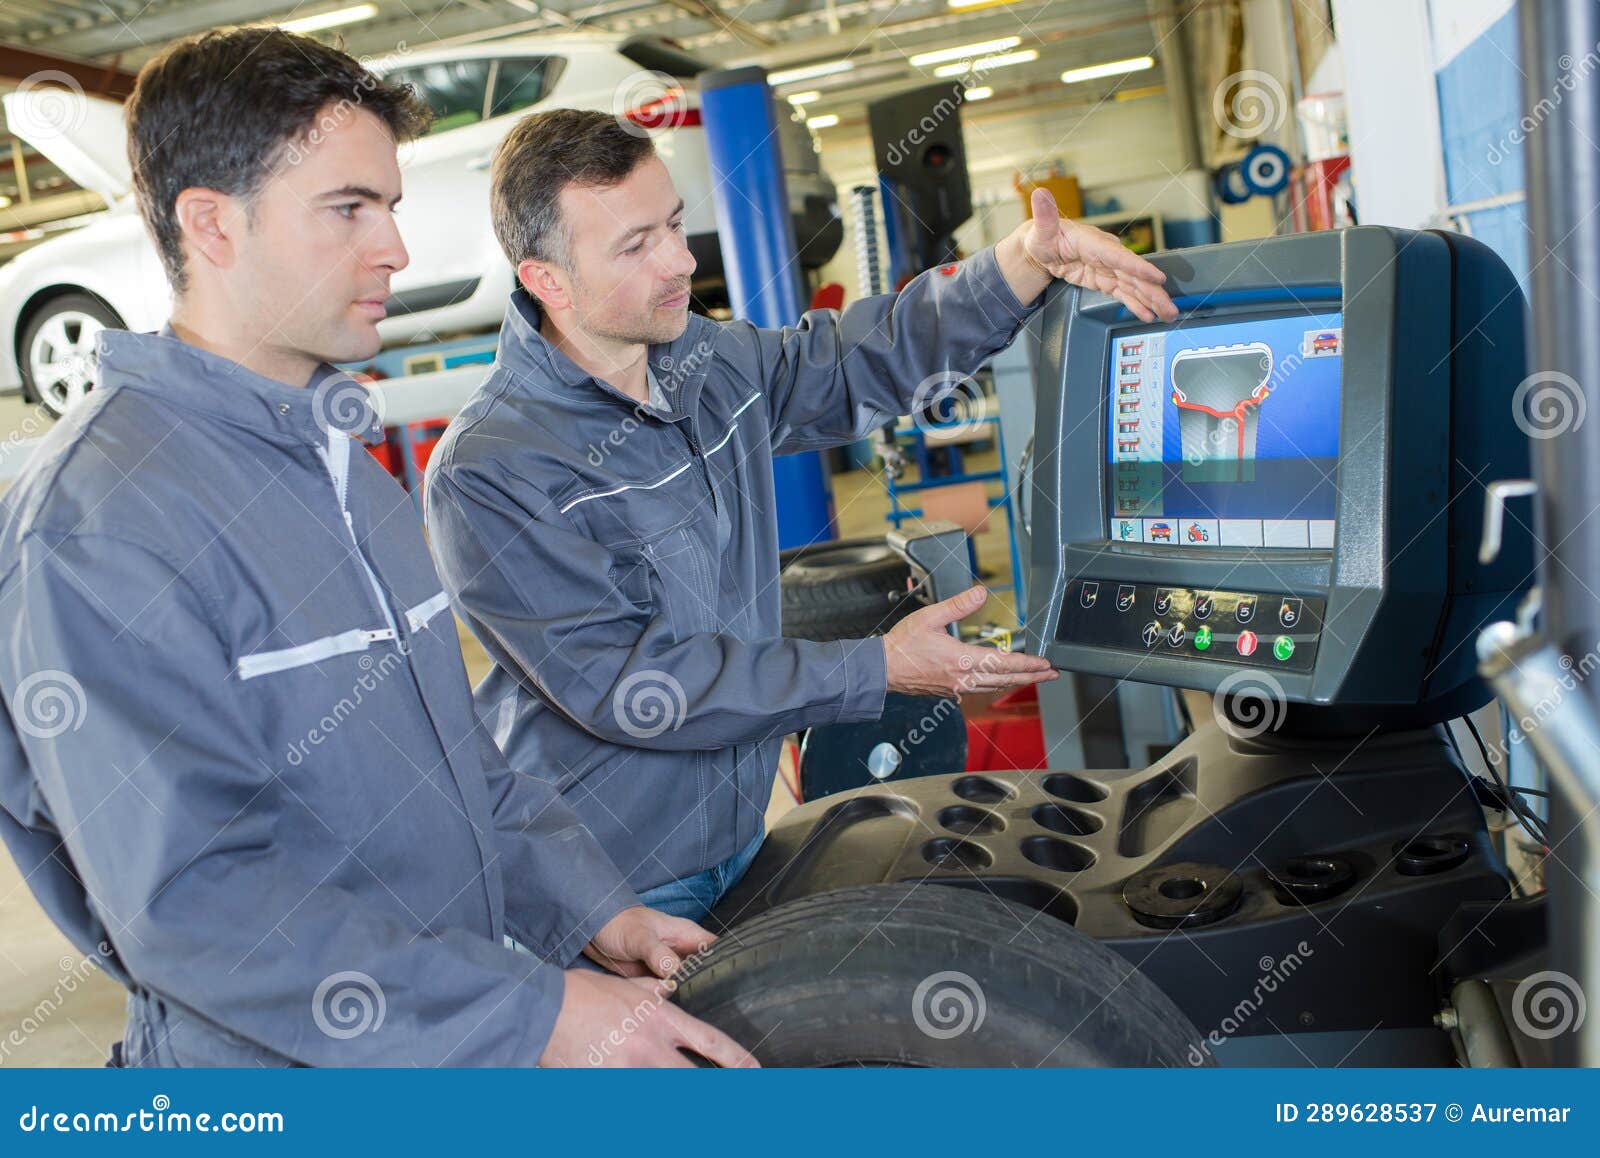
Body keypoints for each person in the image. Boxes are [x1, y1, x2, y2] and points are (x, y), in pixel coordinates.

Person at [0, 29, 752, 1069]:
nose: (394, 246)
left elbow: (459, 766)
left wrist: (593, 909)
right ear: (211, 224)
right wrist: (532, 1015)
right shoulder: (99, 523)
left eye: (390, 206)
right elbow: (196, 906)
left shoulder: (347, 472)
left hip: (435, 1037)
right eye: (349, 209)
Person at [424, 108, 1178, 921]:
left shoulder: (704, 364)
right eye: (636, 245)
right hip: (613, 883)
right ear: (547, 281)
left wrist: (1025, 263)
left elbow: (865, 358)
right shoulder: (492, 468)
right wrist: (874, 668)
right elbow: (632, 683)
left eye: (675, 225)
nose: (680, 261)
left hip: (741, 836)